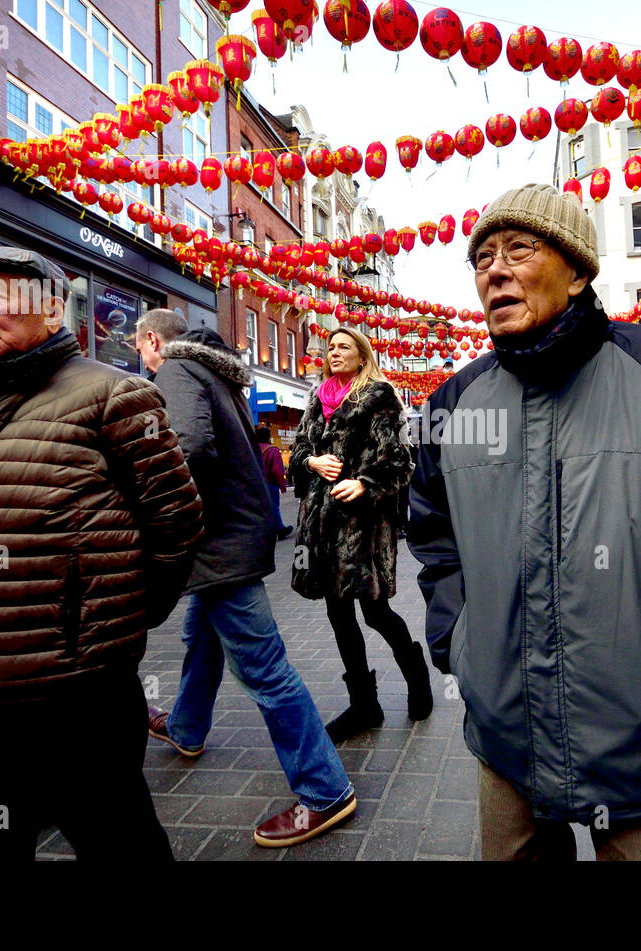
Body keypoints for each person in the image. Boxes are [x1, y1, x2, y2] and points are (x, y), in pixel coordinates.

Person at [407, 184, 641, 861]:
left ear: (578, 269)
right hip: (506, 739)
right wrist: (461, 641)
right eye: (482, 257)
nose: (494, 269)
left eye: (519, 249)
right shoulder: (456, 404)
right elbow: (433, 536)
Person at [0, 247, 204, 861]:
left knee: (117, 841)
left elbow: (176, 521)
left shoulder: (113, 395)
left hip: (73, 699)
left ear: (50, 308)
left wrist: (103, 625)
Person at [135, 310, 357, 848]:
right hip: (232, 539)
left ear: (150, 341)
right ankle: (187, 728)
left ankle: (326, 790)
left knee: (265, 669)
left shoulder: (174, 371)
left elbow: (187, 447)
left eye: (139, 349)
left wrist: (140, 502)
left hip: (220, 545)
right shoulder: (216, 373)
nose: (140, 358)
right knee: (201, 638)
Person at [287, 328, 431, 743]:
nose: (334, 352)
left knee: (376, 612)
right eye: (330, 347)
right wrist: (312, 462)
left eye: (343, 346)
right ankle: (364, 704)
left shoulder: (379, 396)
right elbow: (298, 450)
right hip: (321, 526)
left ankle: (417, 678)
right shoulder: (317, 399)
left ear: (361, 354)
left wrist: (365, 483)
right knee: (337, 612)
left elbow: (400, 461)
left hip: (362, 526)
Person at [255, 425, 295, 540]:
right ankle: (280, 528)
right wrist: (282, 486)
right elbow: (277, 471)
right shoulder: (272, 450)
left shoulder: (252, 449)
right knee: (274, 507)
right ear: (269, 437)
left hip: (255, 484)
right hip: (270, 484)